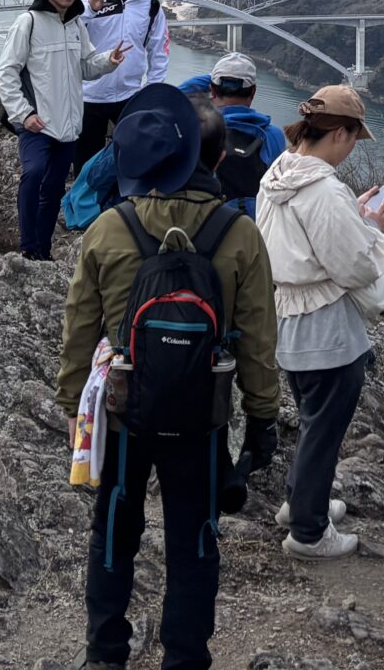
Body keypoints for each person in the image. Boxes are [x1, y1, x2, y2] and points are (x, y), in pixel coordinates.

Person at [58, 84, 280, 670]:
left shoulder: (110, 229)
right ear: (214, 160)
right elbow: (258, 340)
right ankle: (185, 658)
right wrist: (262, 418)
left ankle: (105, 654)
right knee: (195, 540)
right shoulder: (239, 235)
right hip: (201, 418)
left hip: (125, 411)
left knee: (113, 533)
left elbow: (80, 328)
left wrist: (72, 408)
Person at [255, 83, 384, 559]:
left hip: (289, 319)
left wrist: (351, 218)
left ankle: (300, 502)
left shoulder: (276, 175)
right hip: (328, 327)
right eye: (354, 138)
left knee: (314, 422)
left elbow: (302, 246)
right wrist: (370, 227)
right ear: (338, 134)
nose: (353, 148)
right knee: (325, 428)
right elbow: (354, 265)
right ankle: (309, 532)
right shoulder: (325, 190)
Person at [0, 0, 124, 259]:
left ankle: (43, 249)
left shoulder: (76, 24)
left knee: (54, 189)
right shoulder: (28, 22)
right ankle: (28, 247)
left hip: (68, 125)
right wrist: (23, 114)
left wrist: (108, 61)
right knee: (34, 173)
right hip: (37, 122)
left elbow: (86, 66)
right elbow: (6, 71)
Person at [75, 0, 169, 168]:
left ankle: (125, 202)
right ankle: (84, 203)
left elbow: (159, 51)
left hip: (130, 95)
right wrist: (91, 10)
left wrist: (153, 90)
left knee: (135, 159)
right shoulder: (92, 1)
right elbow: (71, 31)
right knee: (86, 165)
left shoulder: (152, 8)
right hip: (89, 96)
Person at [201, 52, 284, 220]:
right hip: (259, 234)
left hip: (210, 232)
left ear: (212, 91)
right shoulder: (273, 136)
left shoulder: (198, 133)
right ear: (253, 92)